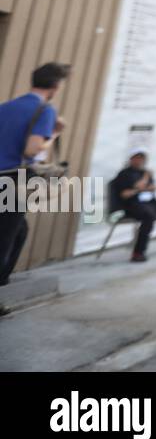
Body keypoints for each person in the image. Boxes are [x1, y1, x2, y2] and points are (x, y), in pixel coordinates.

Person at [0, 62, 71, 286]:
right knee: (4, 239)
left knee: (19, 230)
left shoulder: (6, 107)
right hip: (14, 180)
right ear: (56, 87)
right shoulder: (45, 110)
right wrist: (54, 135)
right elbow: (32, 149)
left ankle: (3, 279)